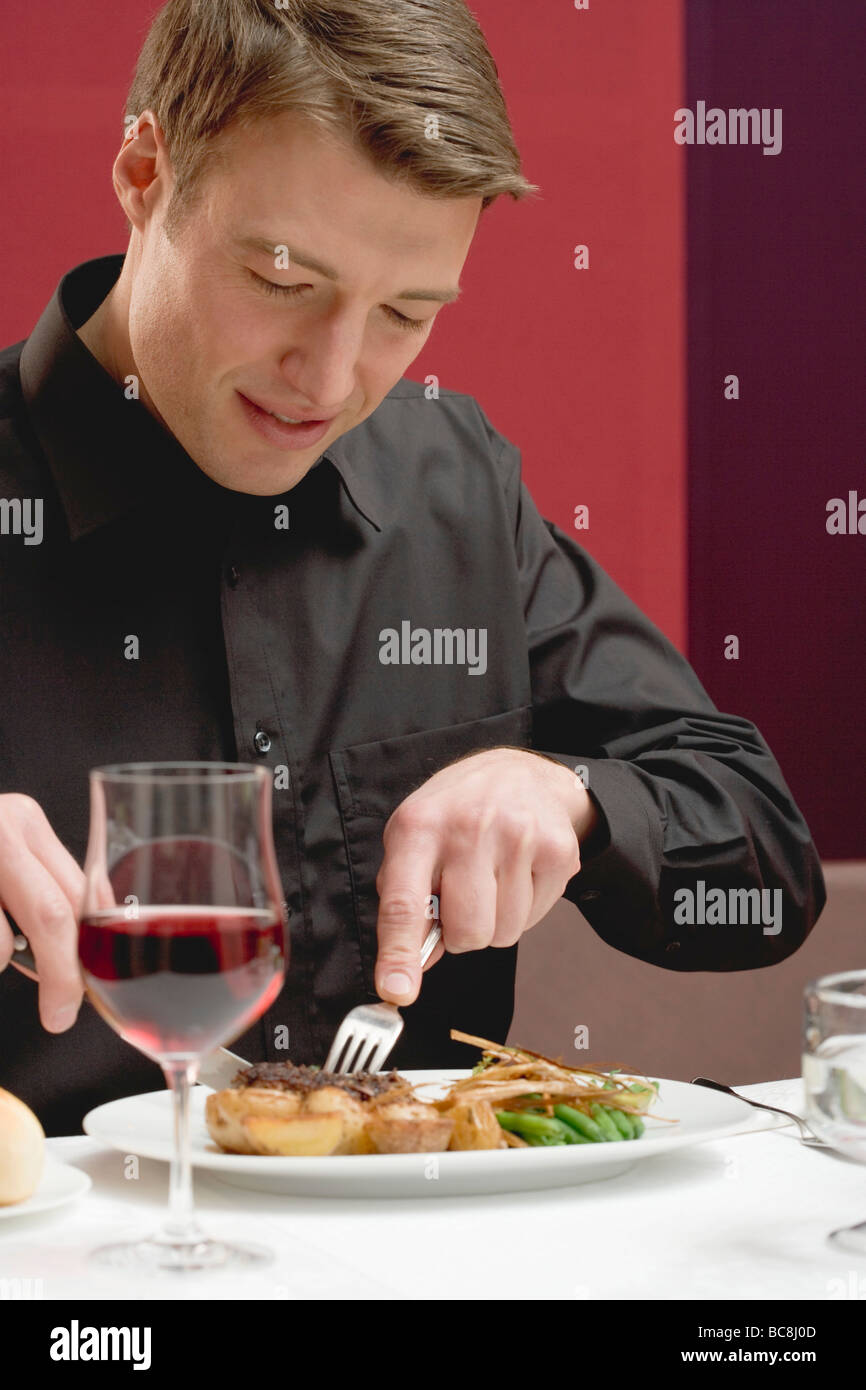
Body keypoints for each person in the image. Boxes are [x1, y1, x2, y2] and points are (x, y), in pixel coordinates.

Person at [0, 0, 824, 1135]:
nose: (329, 378)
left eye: (403, 311)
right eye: (284, 281)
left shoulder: (453, 479)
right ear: (145, 172)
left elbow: (763, 862)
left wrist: (576, 802)